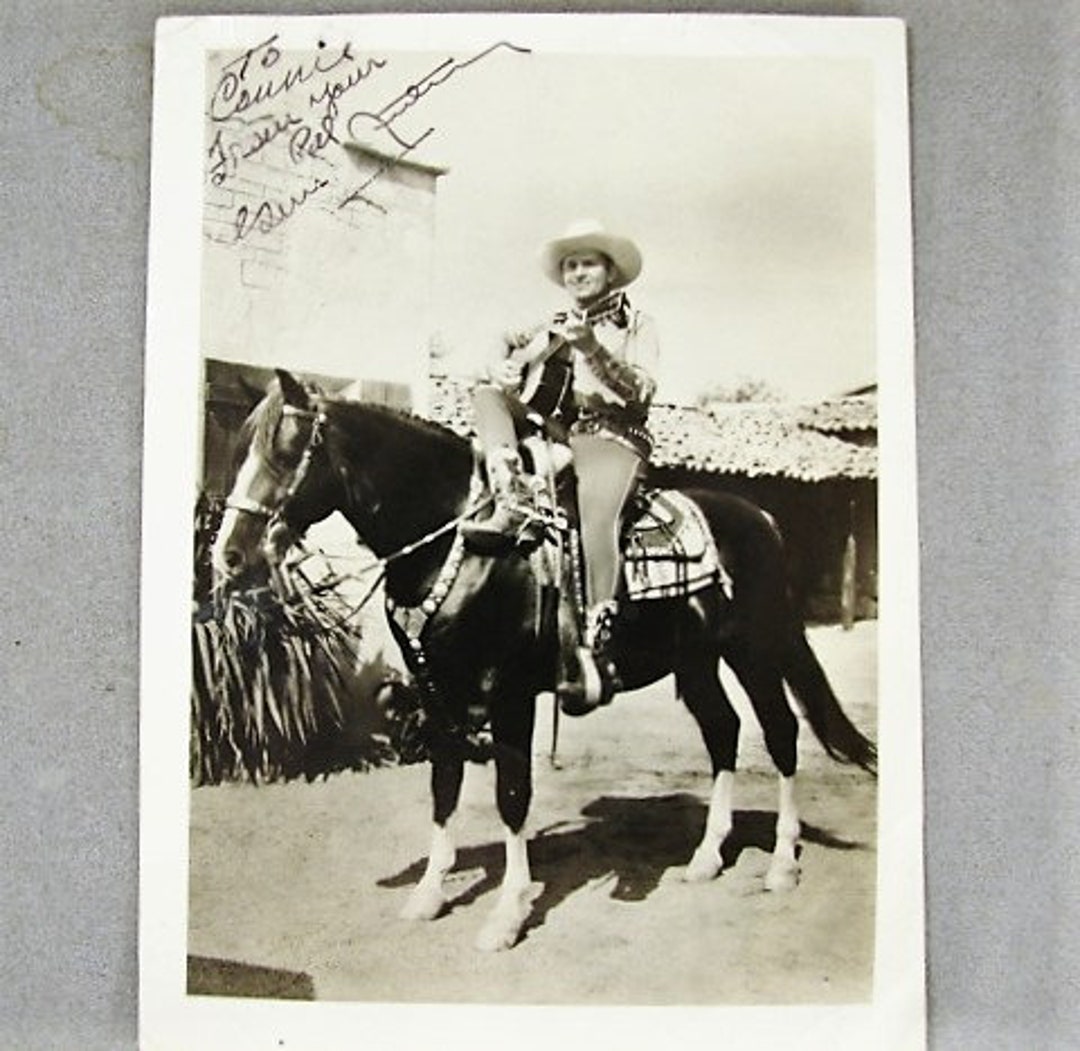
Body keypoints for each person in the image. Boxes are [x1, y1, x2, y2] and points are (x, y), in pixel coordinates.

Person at [461, 219, 660, 712]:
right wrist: (500, 364)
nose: (577, 273)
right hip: (559, 433)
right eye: (570, 265)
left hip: (613, 435)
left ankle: (597, 632)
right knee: (485, 393)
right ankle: (509, 495)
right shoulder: (549, 321)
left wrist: (592, 348)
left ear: (610, 272)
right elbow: (500, 339)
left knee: (596, 514)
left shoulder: (637, 324)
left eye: (587, 263)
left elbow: (643, 393)